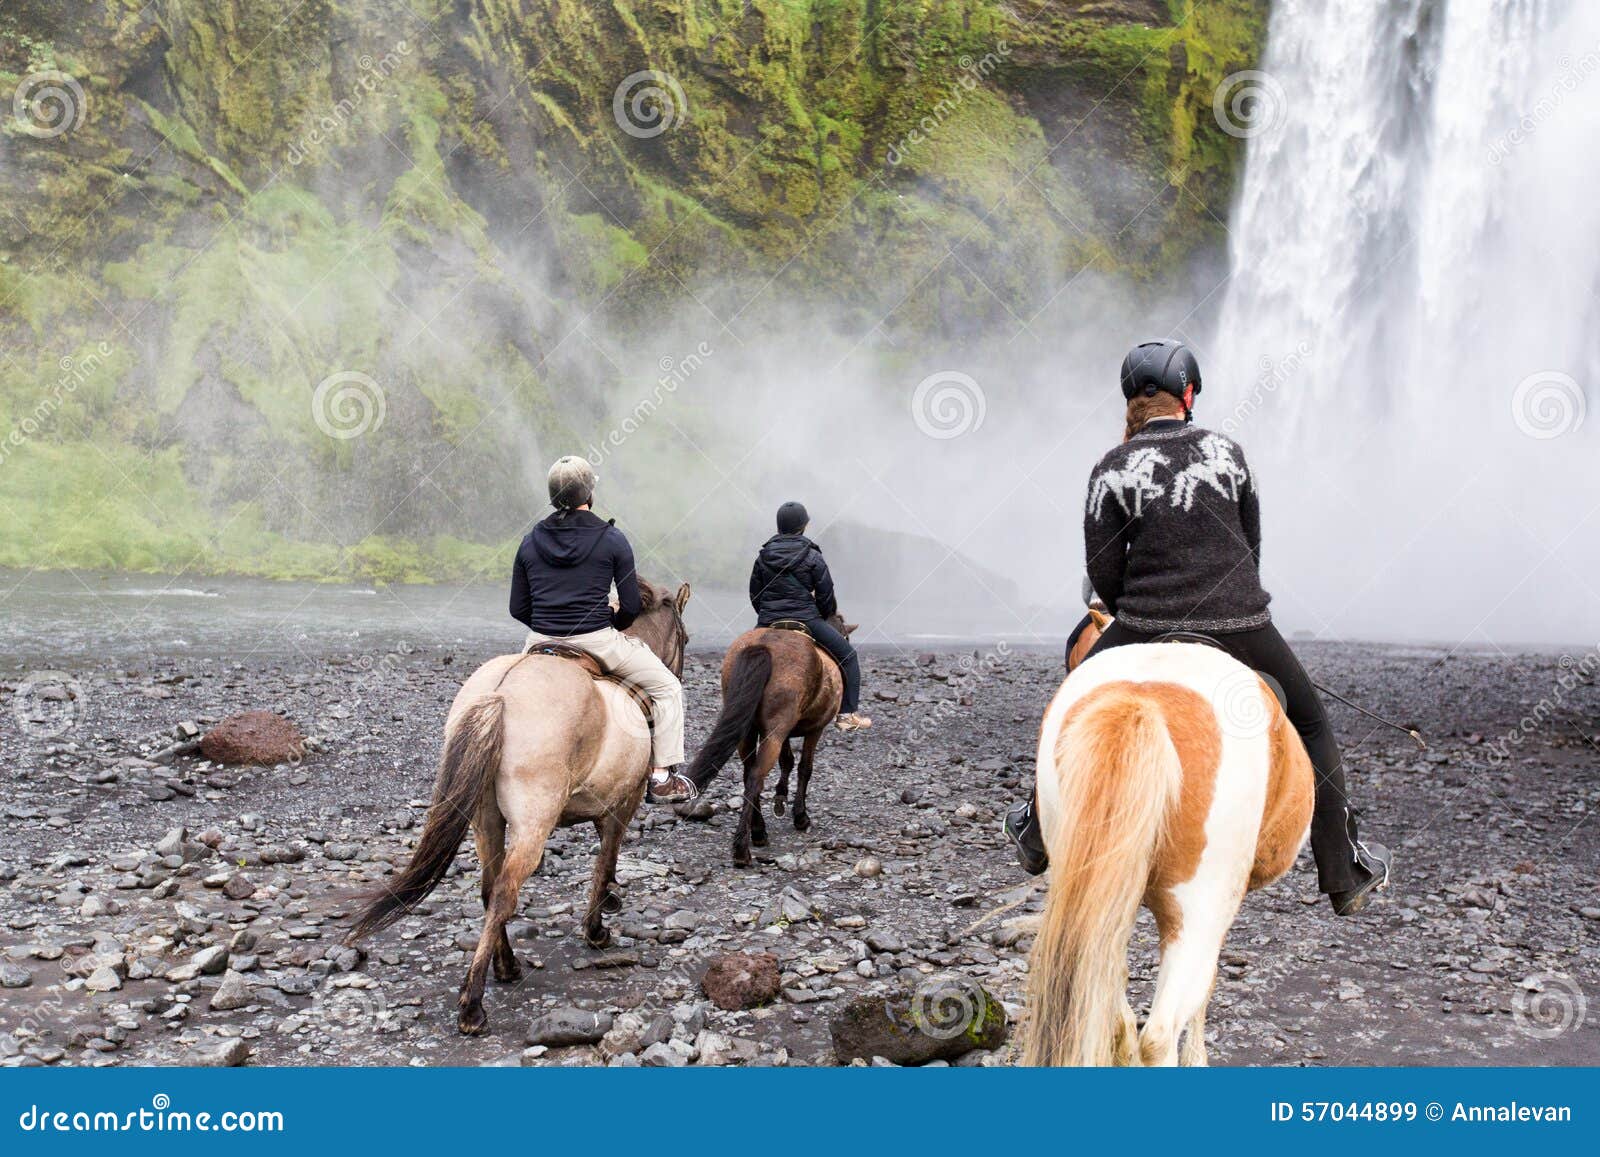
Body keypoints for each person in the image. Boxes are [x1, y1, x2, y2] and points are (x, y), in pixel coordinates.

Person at [1003, 340, 1392, 916]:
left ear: (1133, 399)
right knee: (1311, 723)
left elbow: (1103, 573)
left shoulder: (1111, 468)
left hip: (1144, 623)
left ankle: (1037, 831)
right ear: (1188, 393)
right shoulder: (1229, 454)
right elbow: (1251, 547)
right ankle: (1344, 866)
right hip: (1240, 623)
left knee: (1072, 698)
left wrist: (1141, 604)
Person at [509, 456, 694, 801]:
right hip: (597, 640)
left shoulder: (530, 540)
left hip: (539, 641)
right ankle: (661, 777)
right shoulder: (612, 539)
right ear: (589, 492)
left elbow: (517, 608)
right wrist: (610, 622)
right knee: (668, 688)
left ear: (552, 495)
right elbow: (632, 607)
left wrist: (550, 627)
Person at [749, 502, 872, 731]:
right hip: (806, 618)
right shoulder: (813, 556)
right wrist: (823, 615)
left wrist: (768, 616)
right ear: (803, 526)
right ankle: (847, 715)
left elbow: (755, 594)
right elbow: (826, 595)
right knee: (849, 657)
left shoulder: (763, 556)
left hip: (768, 620)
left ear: (779, 526)